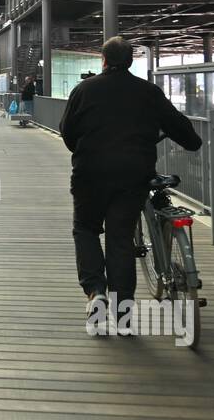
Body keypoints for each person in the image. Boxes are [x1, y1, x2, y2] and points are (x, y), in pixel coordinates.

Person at [60, 36, 202, 324]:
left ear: (103, 60)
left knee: (86, 229)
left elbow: (68, 133)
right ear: (130, 62)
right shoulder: (148, 92)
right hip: (133, 176)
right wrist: (192, 142)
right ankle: (122, 309)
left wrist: (86, 151)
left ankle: (95, 292)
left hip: (90, 174)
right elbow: (180, 127)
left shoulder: (84, 90)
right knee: (120, 238)